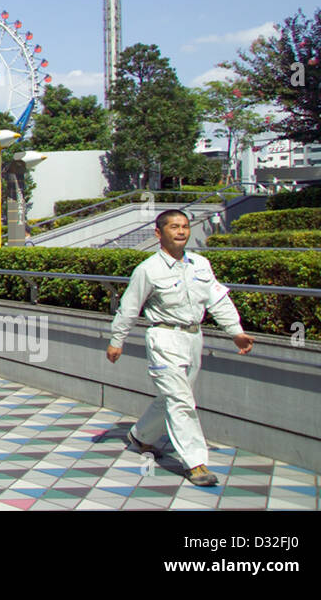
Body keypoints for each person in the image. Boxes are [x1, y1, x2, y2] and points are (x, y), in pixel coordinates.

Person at [106, 209, 255, 487]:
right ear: (158, 233)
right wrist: (118, 340)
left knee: (172, 397)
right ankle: (196, 462)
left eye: (185, 226)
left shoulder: (200, 264)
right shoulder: (148, 269)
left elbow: (218, 300)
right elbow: (129, 308)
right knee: (181, 401)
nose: (181, 231)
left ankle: (140, 436)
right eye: (174, 226)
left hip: (192, 338)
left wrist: (235, 332)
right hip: (164, 338)